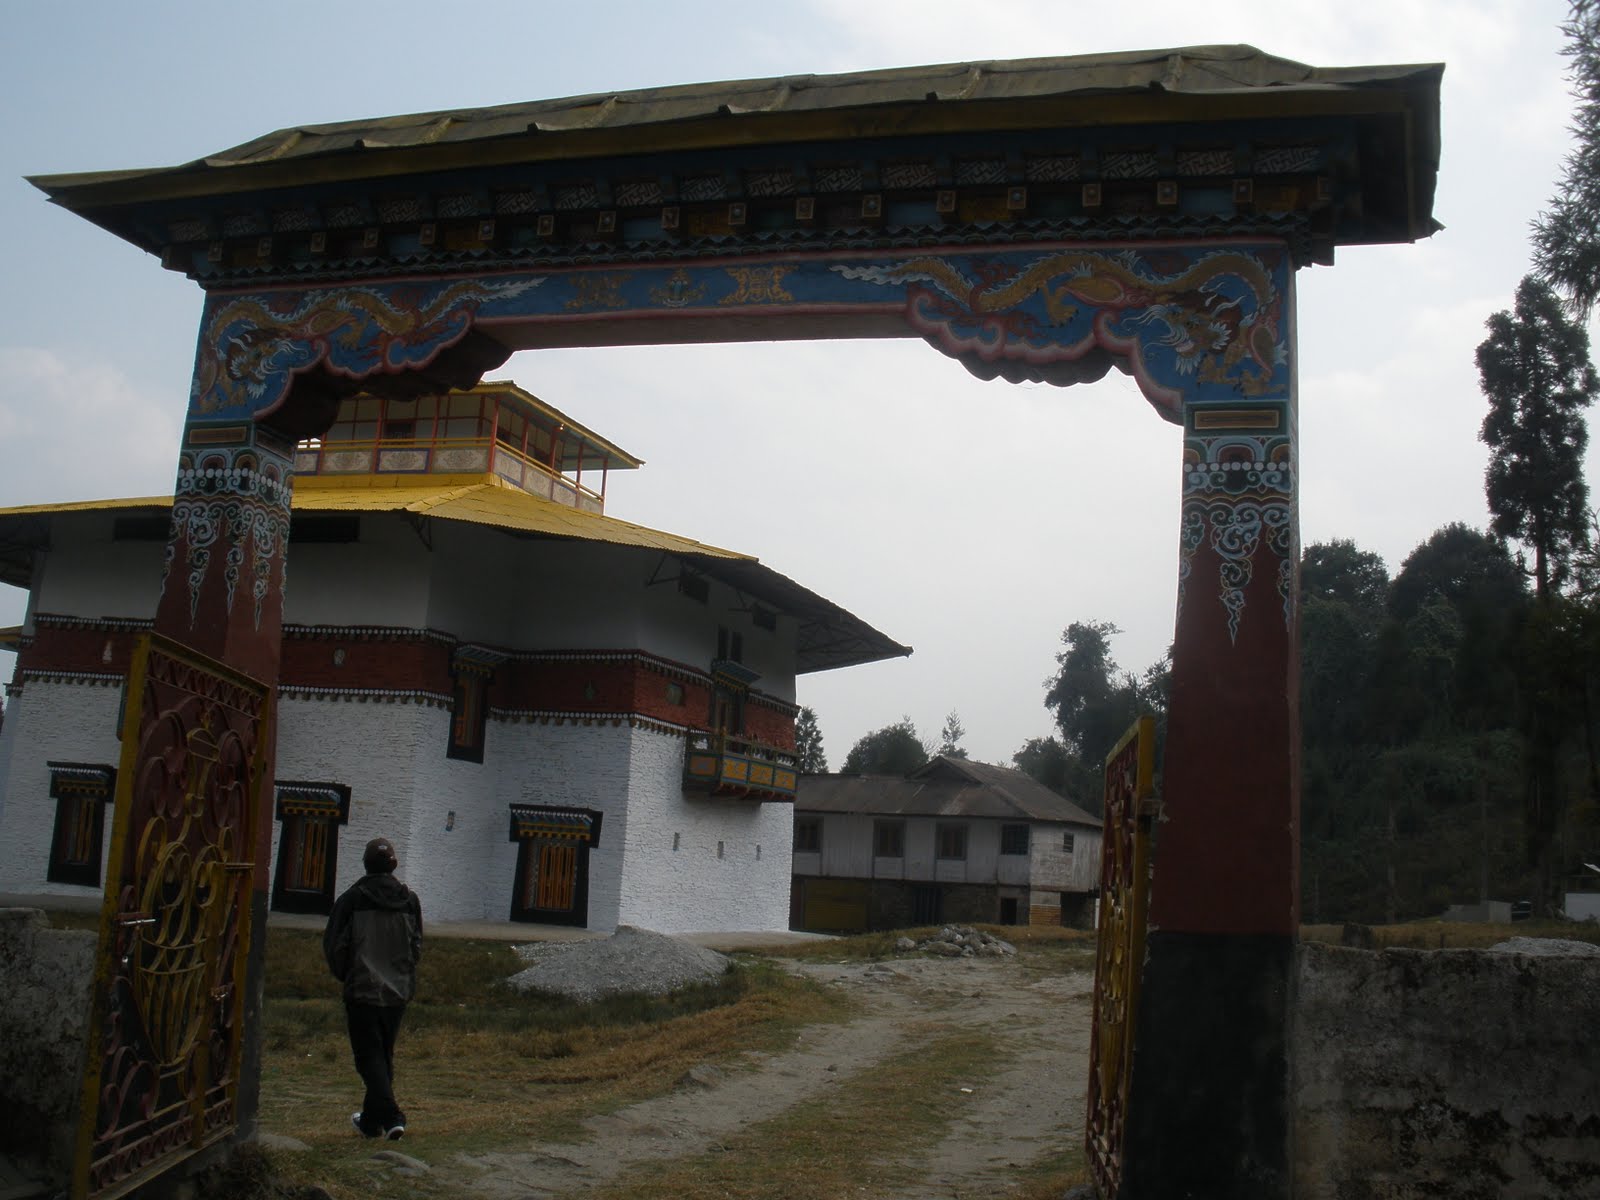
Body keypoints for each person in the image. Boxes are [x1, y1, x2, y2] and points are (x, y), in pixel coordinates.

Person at [323, 836, 423, 1140]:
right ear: (393, 865)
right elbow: (416, 945)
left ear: (366, 864)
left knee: (368, 1057)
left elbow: (334, 945)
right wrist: (404, 975)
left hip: (363, 990)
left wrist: (348, 975)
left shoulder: (352, 899)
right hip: (398, 992)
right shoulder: (409, 900)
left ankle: (393, 1116)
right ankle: (370, 1121)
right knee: (382, 1055)